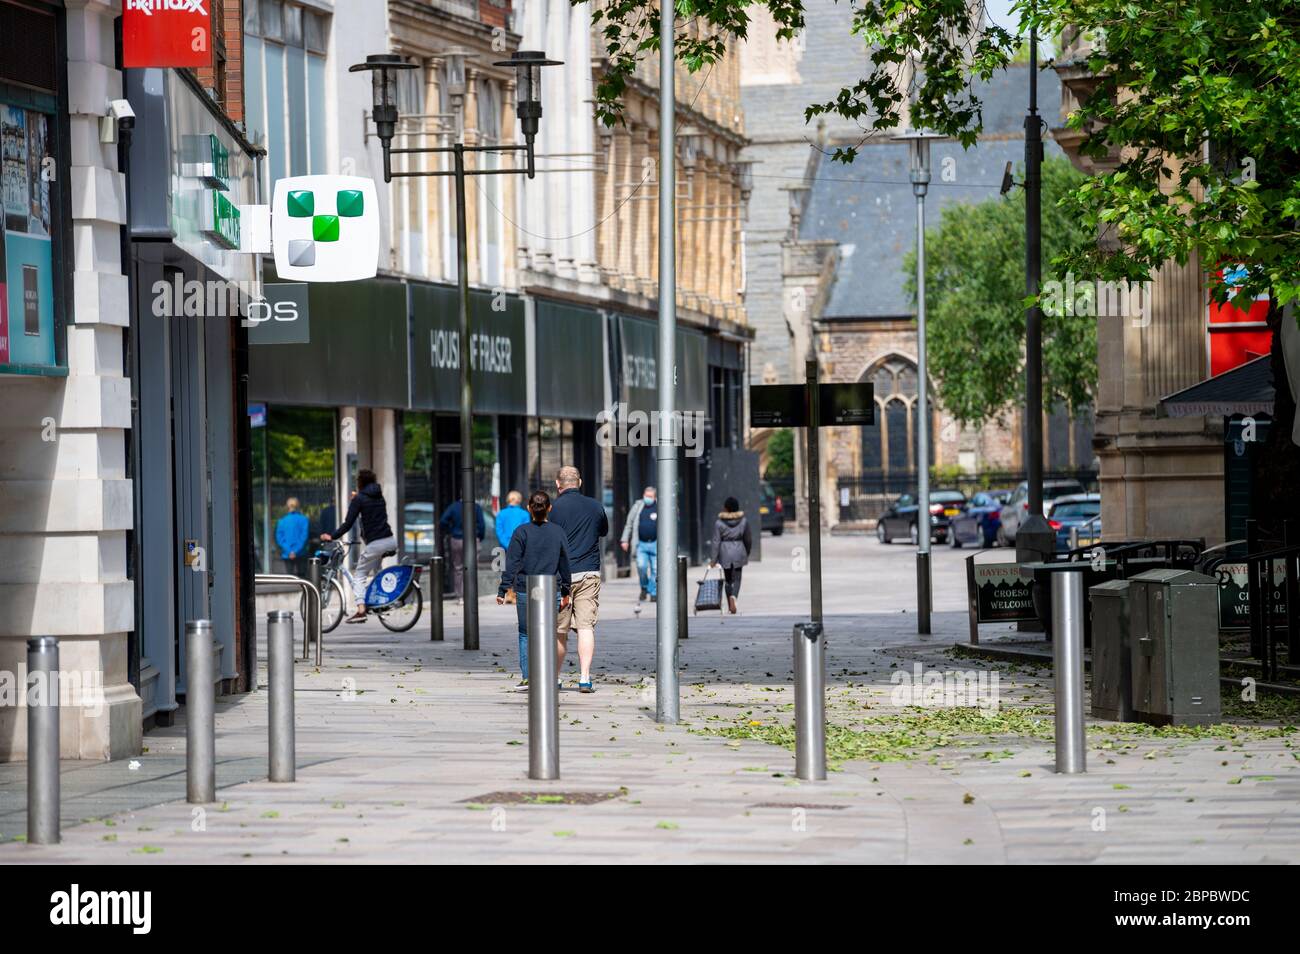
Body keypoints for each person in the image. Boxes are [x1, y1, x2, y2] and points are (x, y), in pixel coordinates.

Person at [497, 490, 571, 689]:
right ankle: (549, 676)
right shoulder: (558, 532)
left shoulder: (521, 532)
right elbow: (565, 563)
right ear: (549, 508)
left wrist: (503, 589)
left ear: (529, 509)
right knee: (549, 632)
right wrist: (566, 591)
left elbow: (511, 562)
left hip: (524, 588)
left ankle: (528, 677)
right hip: (551, 587)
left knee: (525, 632)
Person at [548, 466, 609, 693]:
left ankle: (555, 678)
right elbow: (603, 531)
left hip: (560, 576)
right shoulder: (595, 506)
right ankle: (584, 678)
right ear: (580, 482)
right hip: (588, 573)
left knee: (559, 630)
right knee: (586, 627)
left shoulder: (552, 509)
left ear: (558, 484)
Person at [321, 469, 396, 623]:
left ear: (360, 482)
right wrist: (358, 499)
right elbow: (371, 509)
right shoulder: (378, 495)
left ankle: (361, 610)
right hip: (389, 539)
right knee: (376, 570)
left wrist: (332, 536)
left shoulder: (360, 499)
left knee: (359, 576)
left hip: (376, 543)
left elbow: (348, 523)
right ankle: (381, 601)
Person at [710, 496, 753, 615]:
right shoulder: (743, 521)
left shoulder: (719, 523)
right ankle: (734, 596)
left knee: (728, 580)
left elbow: (715, 541)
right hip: (739, 551)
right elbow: (748, 539)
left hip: (725, 553)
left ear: (726, 508)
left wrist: (713, 560)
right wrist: (747, 552)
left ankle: (730, 606)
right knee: (738, 578)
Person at [439, 497, 486, 601]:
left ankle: (460, 596)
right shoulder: (476, 507)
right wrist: (479, 536)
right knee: (472, 568)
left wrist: (451, 531)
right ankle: (471, 595)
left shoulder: (454, 507)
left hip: (457, 539)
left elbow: (442, 521)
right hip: (473, 539)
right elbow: (482, 525)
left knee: (458, 568)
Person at [620, 486, 658, 601]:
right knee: (641, 567)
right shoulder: (638, 506)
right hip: (641, 544)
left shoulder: (659, 507)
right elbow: (629, 524)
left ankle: (653, 592)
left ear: (655, 497)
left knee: (656, 569)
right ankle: (644, 587)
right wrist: (625, 539)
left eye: (650, 497)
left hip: (656, 544)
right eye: (646, 496)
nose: (647, 498)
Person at [274, 497, 309, 577]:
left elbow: (279, 538)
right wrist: (296, 551)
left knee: (290, 577)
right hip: (301, 553)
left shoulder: (282, 521)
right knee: (302, 577)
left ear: (287, 506)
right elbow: (304, 537)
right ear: (298, 506)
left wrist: (290, 551)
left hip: (287, 554)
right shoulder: (304, 520)